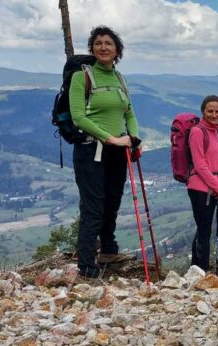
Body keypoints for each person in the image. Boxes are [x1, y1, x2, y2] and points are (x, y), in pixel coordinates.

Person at [69, 26, 139, 278]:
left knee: (112, 201)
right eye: (98, 43)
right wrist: (111, 138)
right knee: (93, 206)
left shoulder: (120, 78)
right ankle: (87, 265)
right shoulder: (82, 77)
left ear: (117, 50)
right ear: (92, 48)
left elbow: (129, 113)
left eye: (108, 43)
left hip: (117, 151)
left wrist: (134, 137)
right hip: (90, 150)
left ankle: (108, 249)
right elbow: (78, 117)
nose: (103, 47)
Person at [186, 95, 218, 272]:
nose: (214, 114)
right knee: (204, 231)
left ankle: (197, 268)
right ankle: (201, 270)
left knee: (204, 229)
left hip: (212, 189)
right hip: (200, 188)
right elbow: (200, 165)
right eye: (210, 111)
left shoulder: (216, 131)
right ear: (203, 111)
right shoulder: (197, 132)